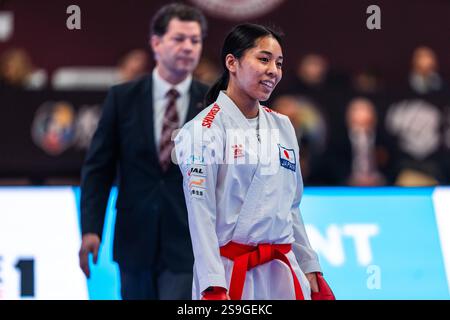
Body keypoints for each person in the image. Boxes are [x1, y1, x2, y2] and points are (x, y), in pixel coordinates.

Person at [175, 23, 334, 300]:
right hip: (230, 273)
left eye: (279, 63)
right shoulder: (202, 131)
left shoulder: (283, 125)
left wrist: (310, 266)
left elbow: (291, 208)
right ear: (232, 63)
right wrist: (212, 284)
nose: (273, 70)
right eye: (263, 59)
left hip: (283, 269)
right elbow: (200, 215)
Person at [78, 3, 208, 300]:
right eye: (179, 39)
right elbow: (99, 168)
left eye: (195, 40)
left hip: (190, 243)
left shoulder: (213, 102)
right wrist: (90, 229)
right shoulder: (122, 98)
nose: (188, 47)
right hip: (134, 239)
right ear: (156, 43)